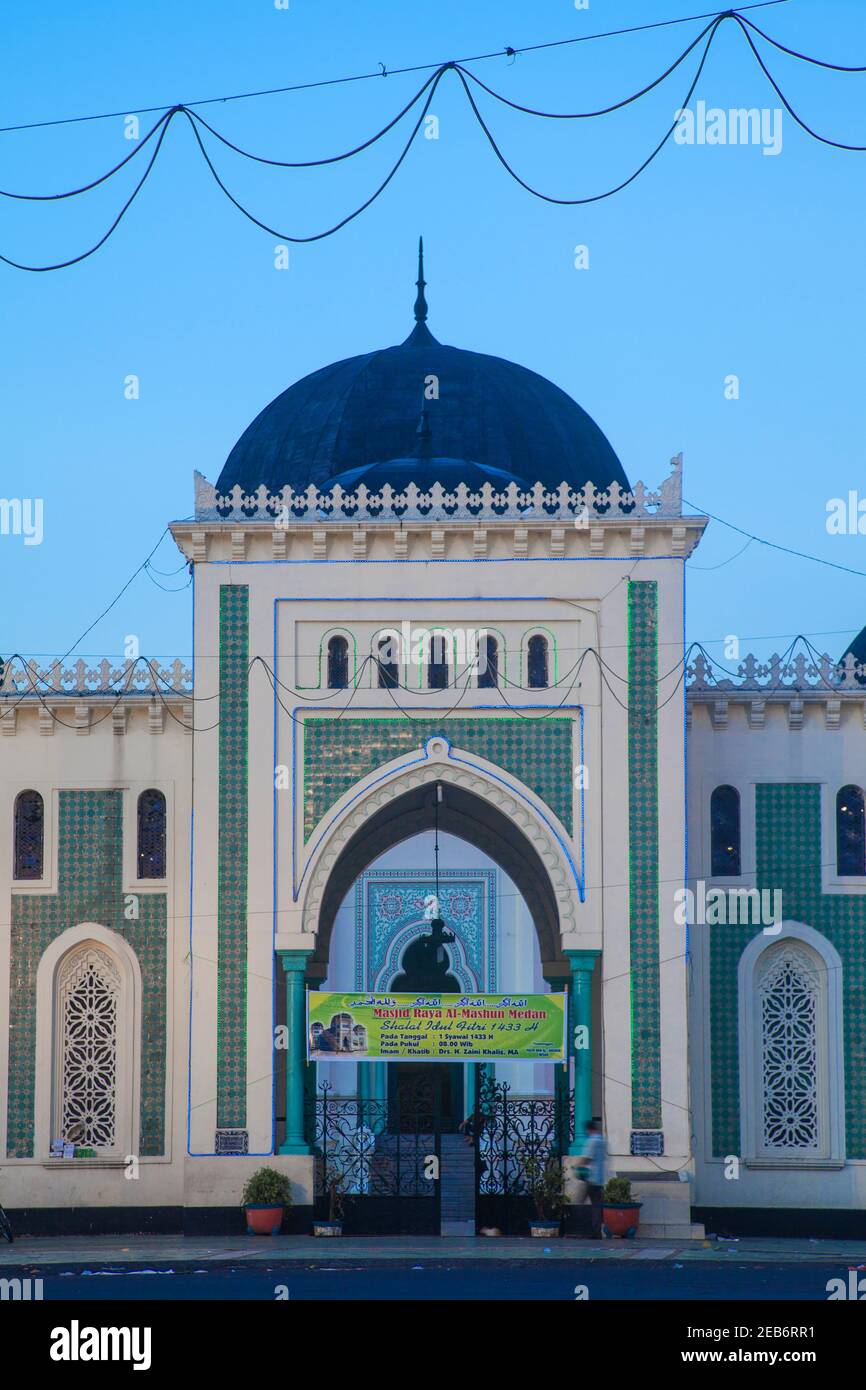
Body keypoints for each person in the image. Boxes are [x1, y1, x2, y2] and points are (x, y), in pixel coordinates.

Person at [576, 1118, 607, 1239]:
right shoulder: (602, 1141)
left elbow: (587, 1158)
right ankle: (596, 1231)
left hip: (591, 1177)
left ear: (589, 1129)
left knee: (580, 1202)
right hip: (600, 1178)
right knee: (597, 1205)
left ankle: (581, 1229)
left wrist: (577, 1166)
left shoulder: (591, 1141)